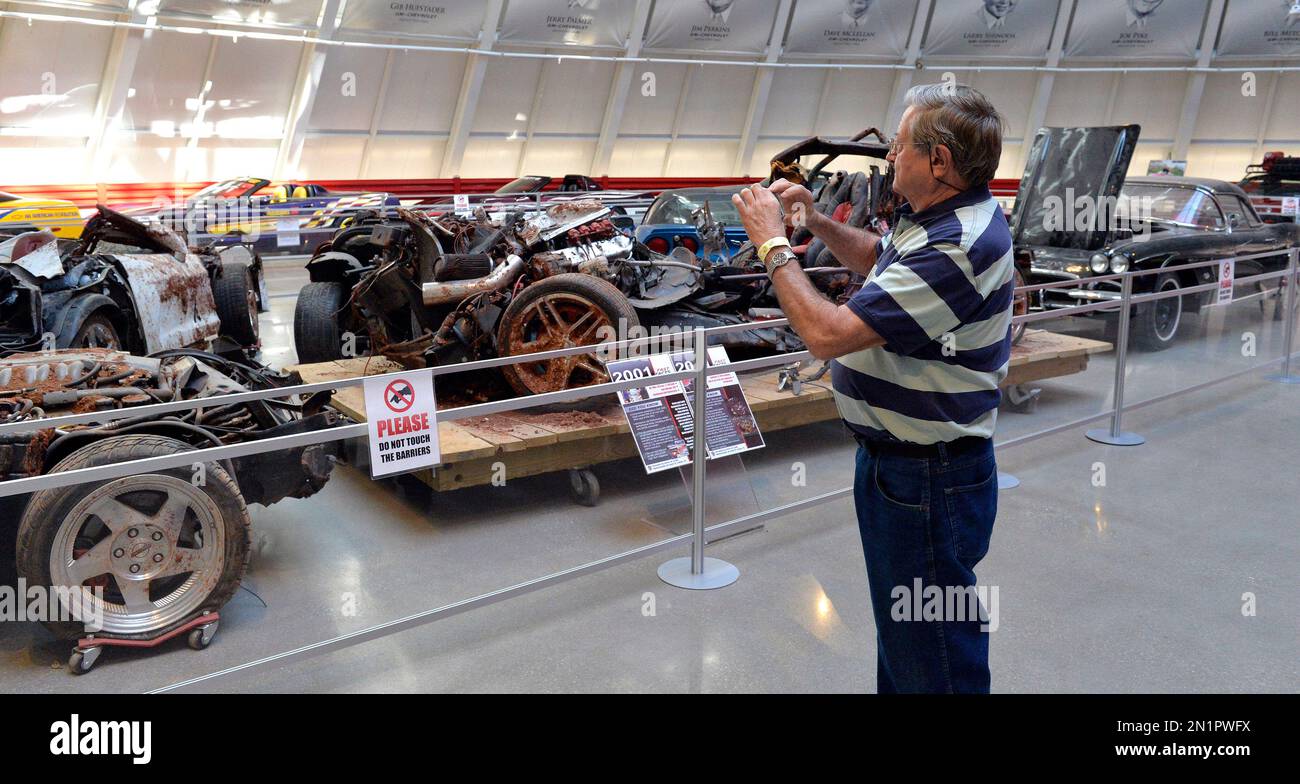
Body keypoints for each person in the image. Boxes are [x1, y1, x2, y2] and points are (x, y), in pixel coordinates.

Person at [732, 83, 1013, 693]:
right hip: (903, 469)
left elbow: (826, 335)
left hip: (928, 478)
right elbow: (879, 259)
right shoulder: (939, 220)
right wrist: (815, 221)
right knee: (909, 643)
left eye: (901, 146)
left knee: (933, 658)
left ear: (938, 163)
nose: (890, 158)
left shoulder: (959, 245)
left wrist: (773, 243)